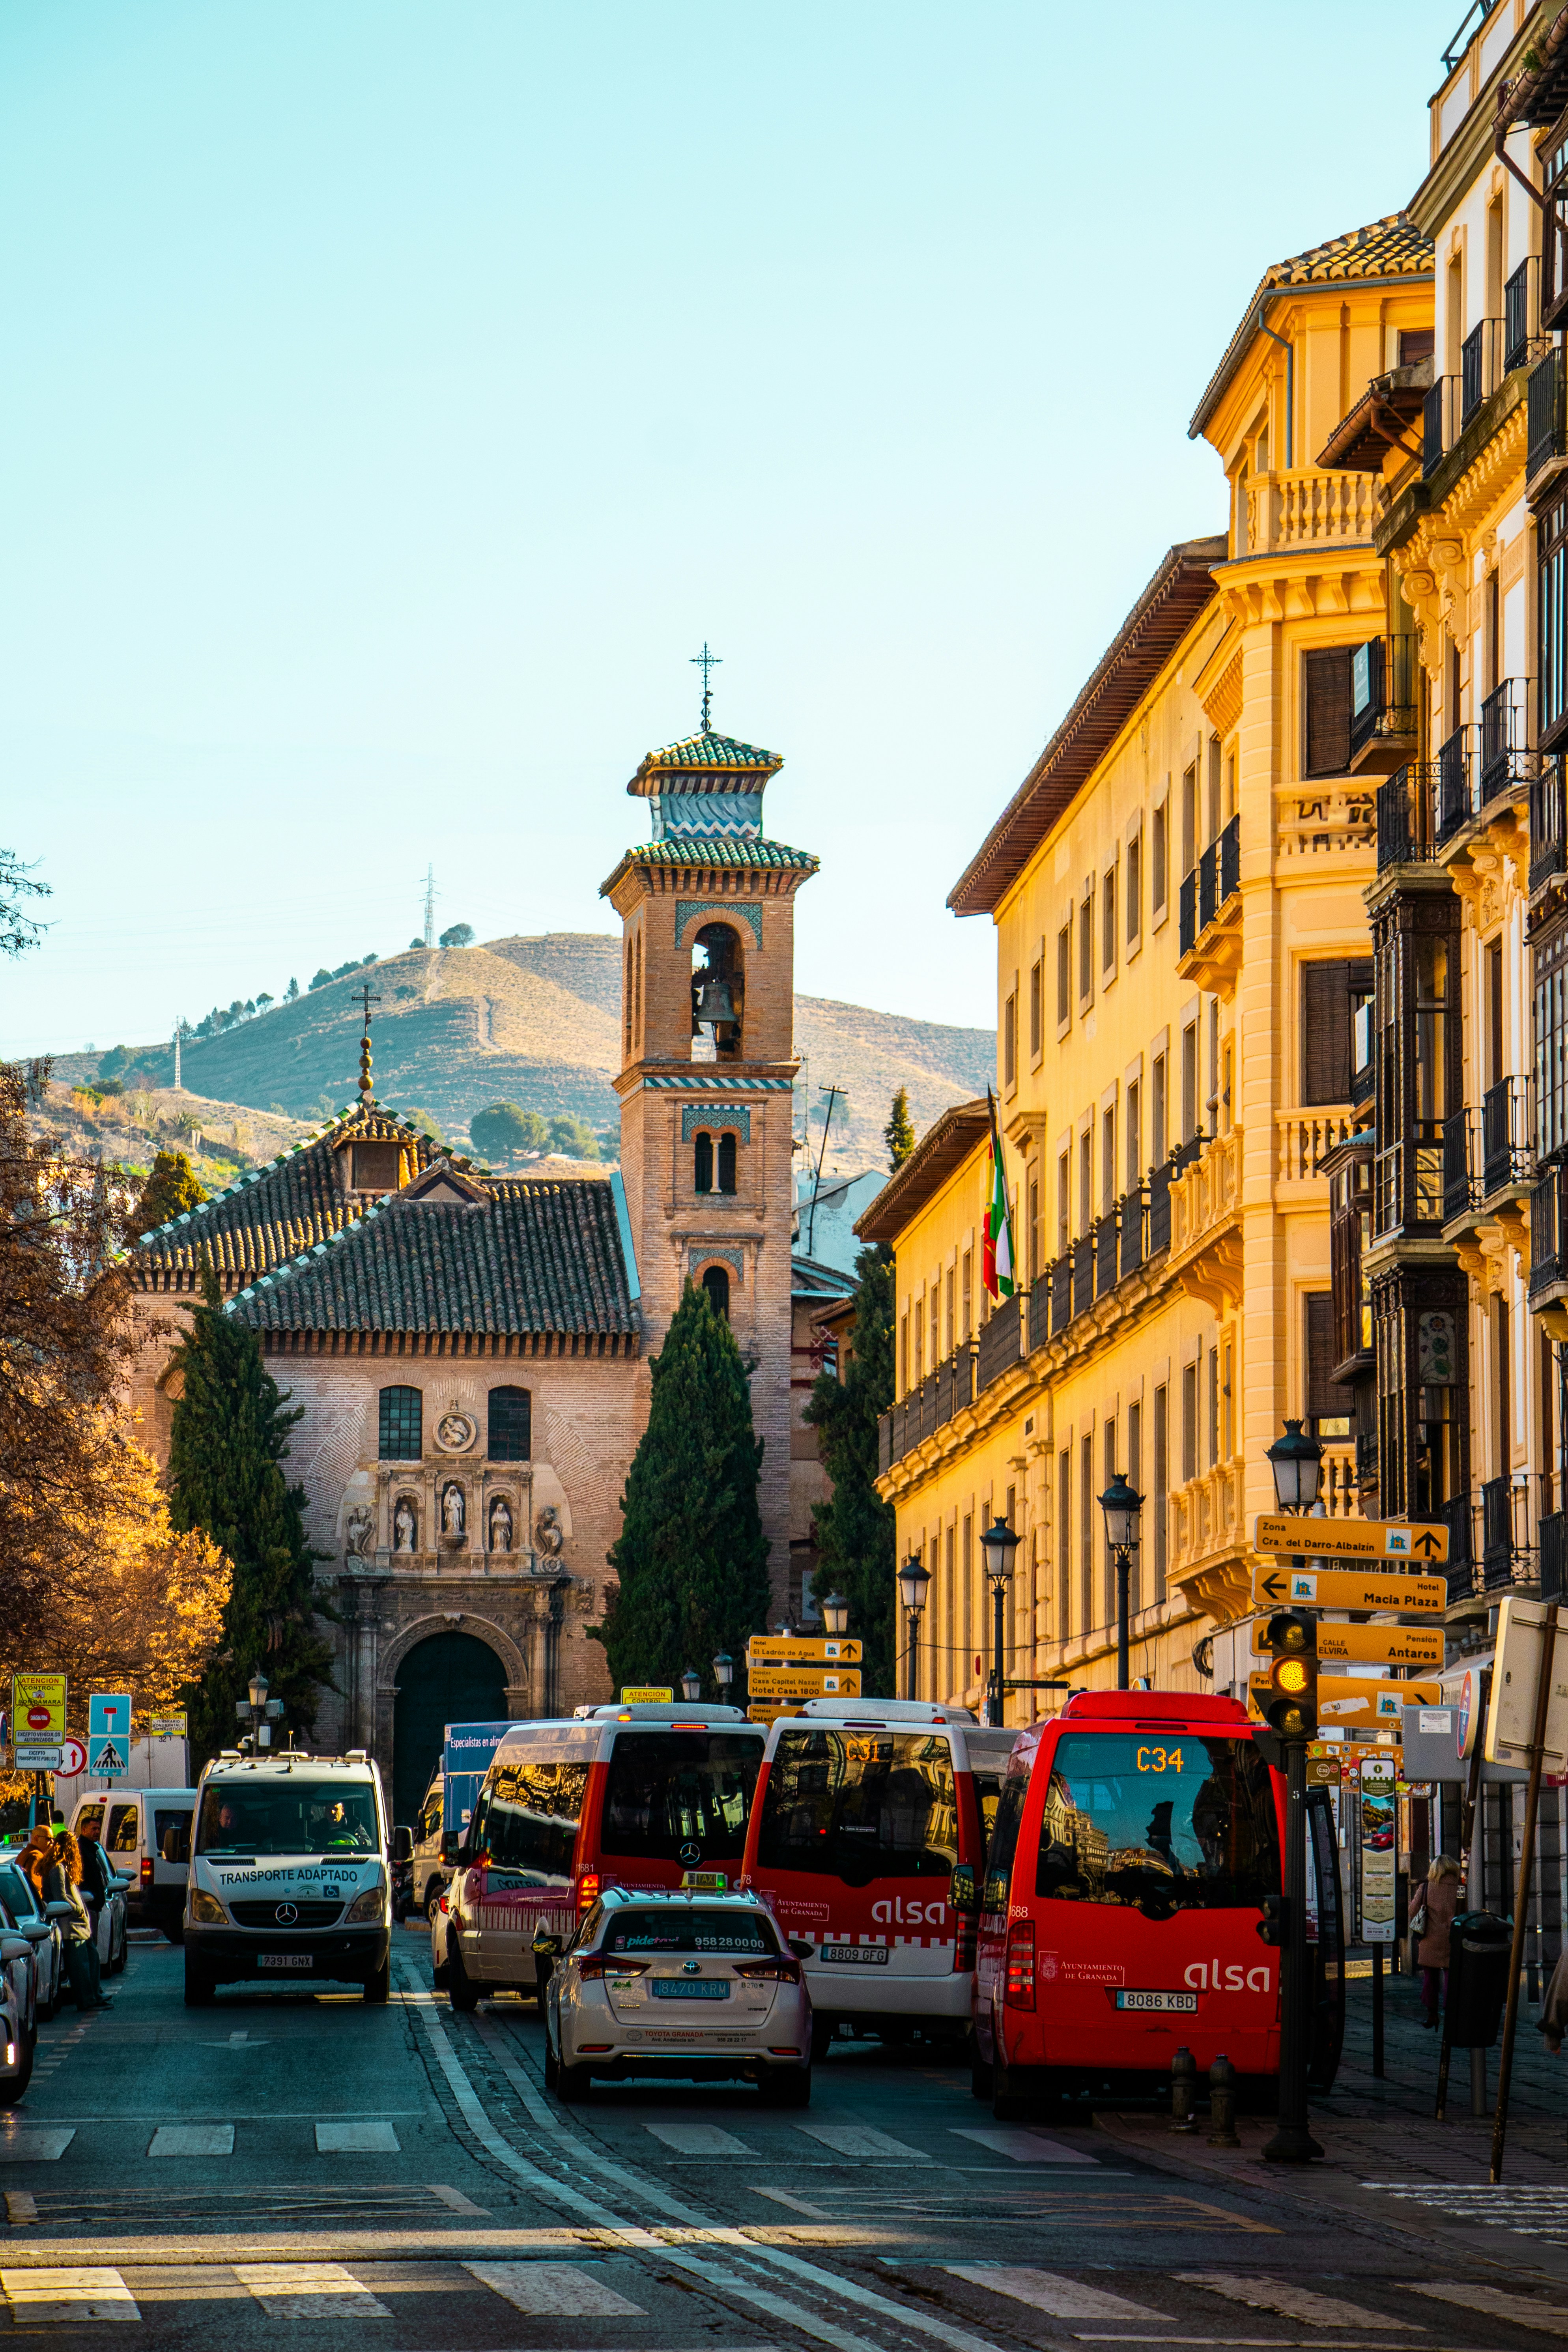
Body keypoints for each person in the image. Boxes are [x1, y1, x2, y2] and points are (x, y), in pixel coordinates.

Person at [42, 1832, 110, 2012]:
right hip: (70, 1926)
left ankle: (95, 1996)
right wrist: (78, 1909)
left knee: (92, 1959)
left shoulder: (64, 1867)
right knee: (81, 1967)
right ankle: (86, 2001)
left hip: (79, 1926)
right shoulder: (57, 1869)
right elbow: (61, 1897)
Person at [1413, 1852, 1463, 2028]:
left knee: (1430, 1977)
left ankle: (1432, 2014)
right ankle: (1451, 2012)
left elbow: (1413, 1912)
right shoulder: (1460, 1888)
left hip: (1430, 1941)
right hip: (1454, 1940)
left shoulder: (1426, 1888)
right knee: (1452, 1976)